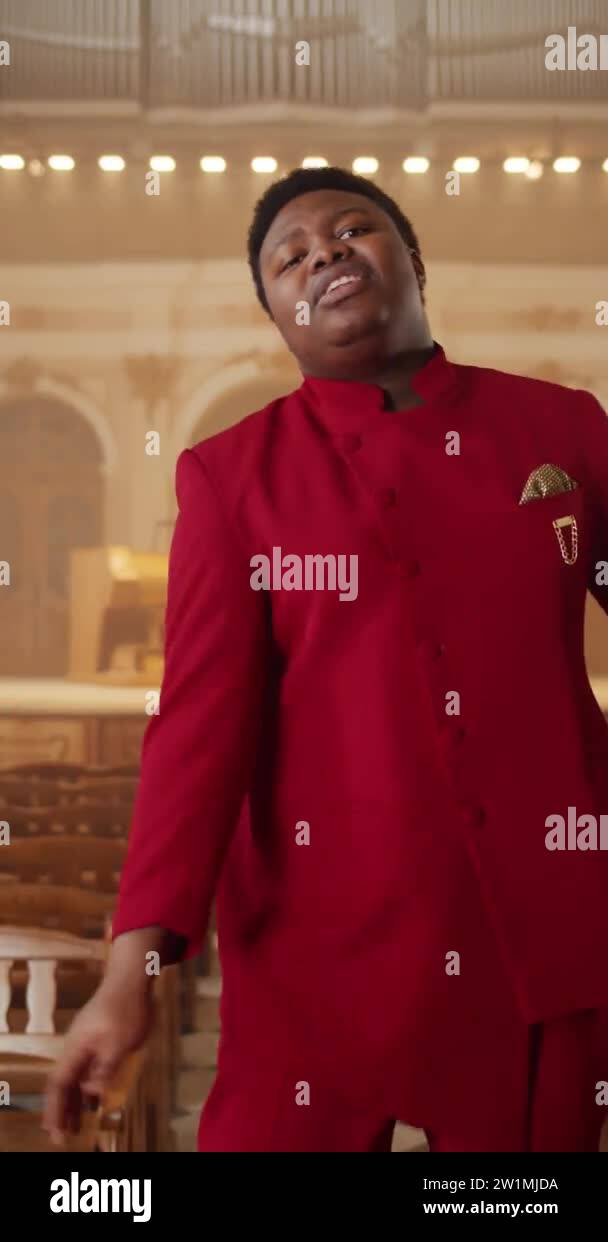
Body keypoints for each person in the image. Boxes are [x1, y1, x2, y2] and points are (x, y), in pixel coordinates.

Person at [44, 166, 608, 1152]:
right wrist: (132, 970)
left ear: (412, 262)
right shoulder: (229, 480)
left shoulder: (560, 428)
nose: (325, 255)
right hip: (315, 942)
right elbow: (199, 732)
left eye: (354, 231)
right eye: (290, 257)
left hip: (538, 923)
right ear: (276, 314)